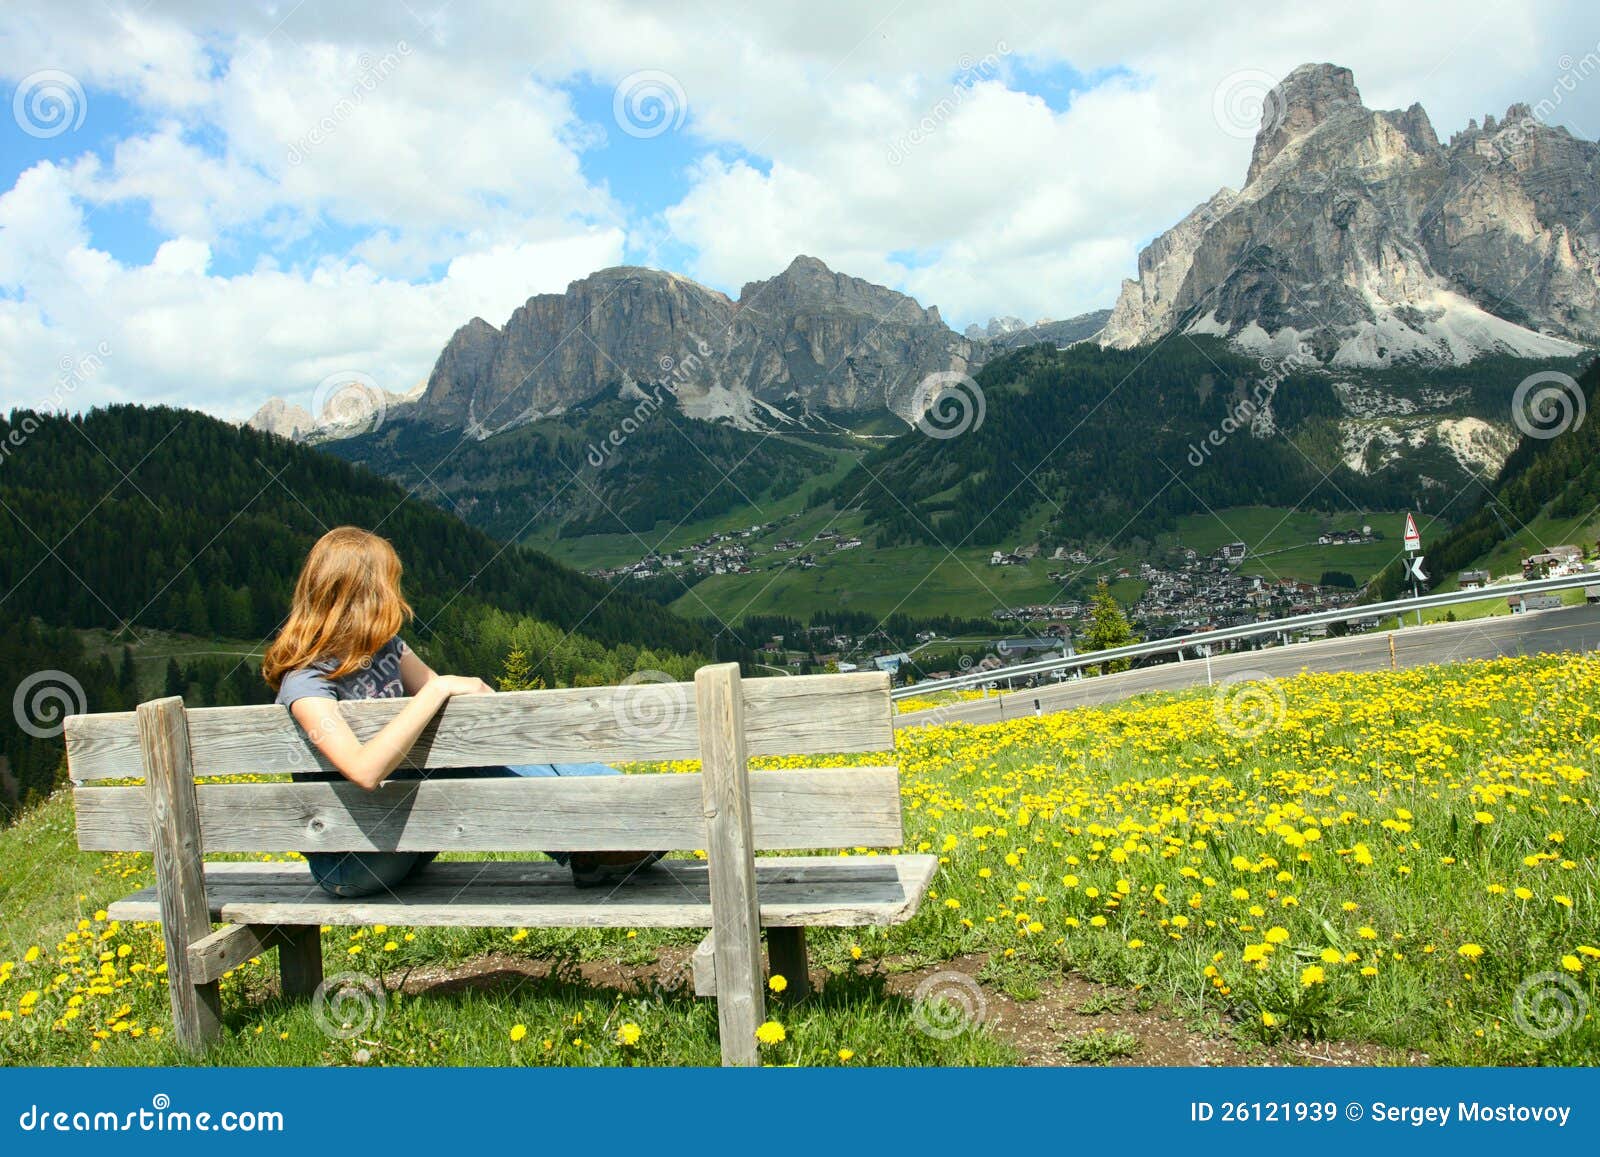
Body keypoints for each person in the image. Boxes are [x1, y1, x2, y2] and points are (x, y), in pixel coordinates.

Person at [262, 526, 662, 898]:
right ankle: (604, 833)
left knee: (480, 737)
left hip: (407, 837)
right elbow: (365, 771)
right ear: (362, 595)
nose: (396, 596)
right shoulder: (306, 682)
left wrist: (496, 719)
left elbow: (458, 715)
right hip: (352, 862)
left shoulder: (387, 649)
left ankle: (626, 809)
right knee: (453, 757)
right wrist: (437, 689)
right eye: (388, 584)